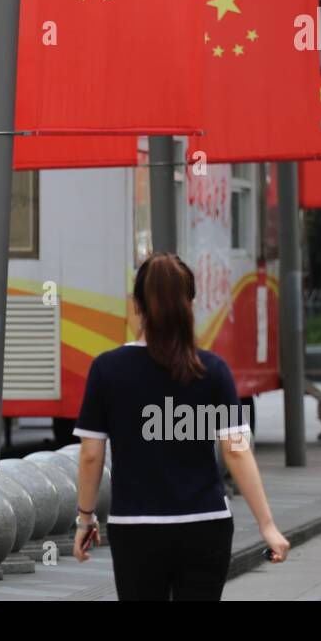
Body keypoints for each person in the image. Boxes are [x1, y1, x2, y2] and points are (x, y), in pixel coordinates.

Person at [72, 253, 289, 600]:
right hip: (206, 525)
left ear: (137, 304)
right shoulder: (212, 370)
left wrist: (85, 519)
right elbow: (236, 451)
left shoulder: (108, 370)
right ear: (189, 303)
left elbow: (90, 455)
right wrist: (267, 525)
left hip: (136, 528)